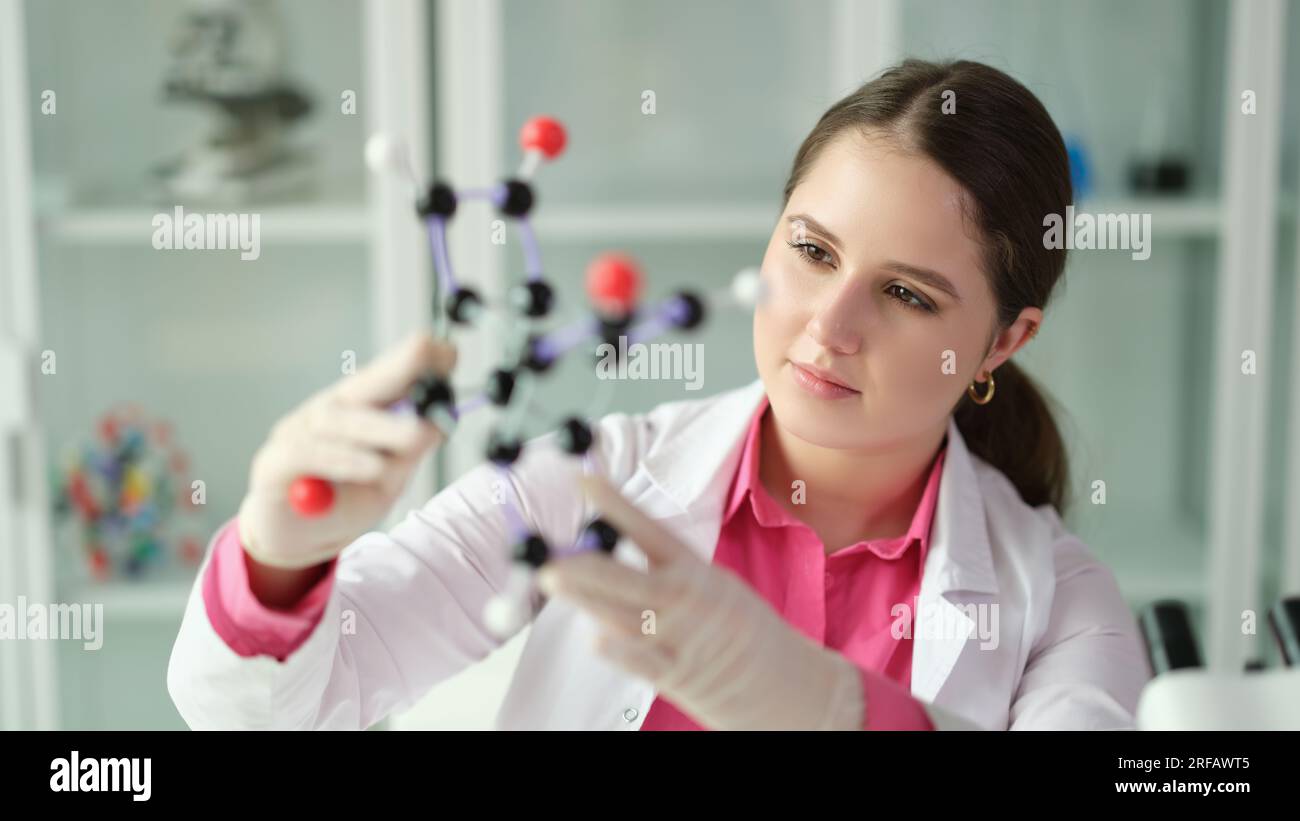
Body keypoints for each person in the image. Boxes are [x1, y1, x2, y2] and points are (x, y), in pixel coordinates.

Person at [167, 58, 1151, 730]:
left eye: (904, 292)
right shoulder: (583, 481)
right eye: (811, 250)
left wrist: (824, 708)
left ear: (1004, 339)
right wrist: (276, 561)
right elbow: (268, 702)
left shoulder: (1065, 603)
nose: (828, 322)